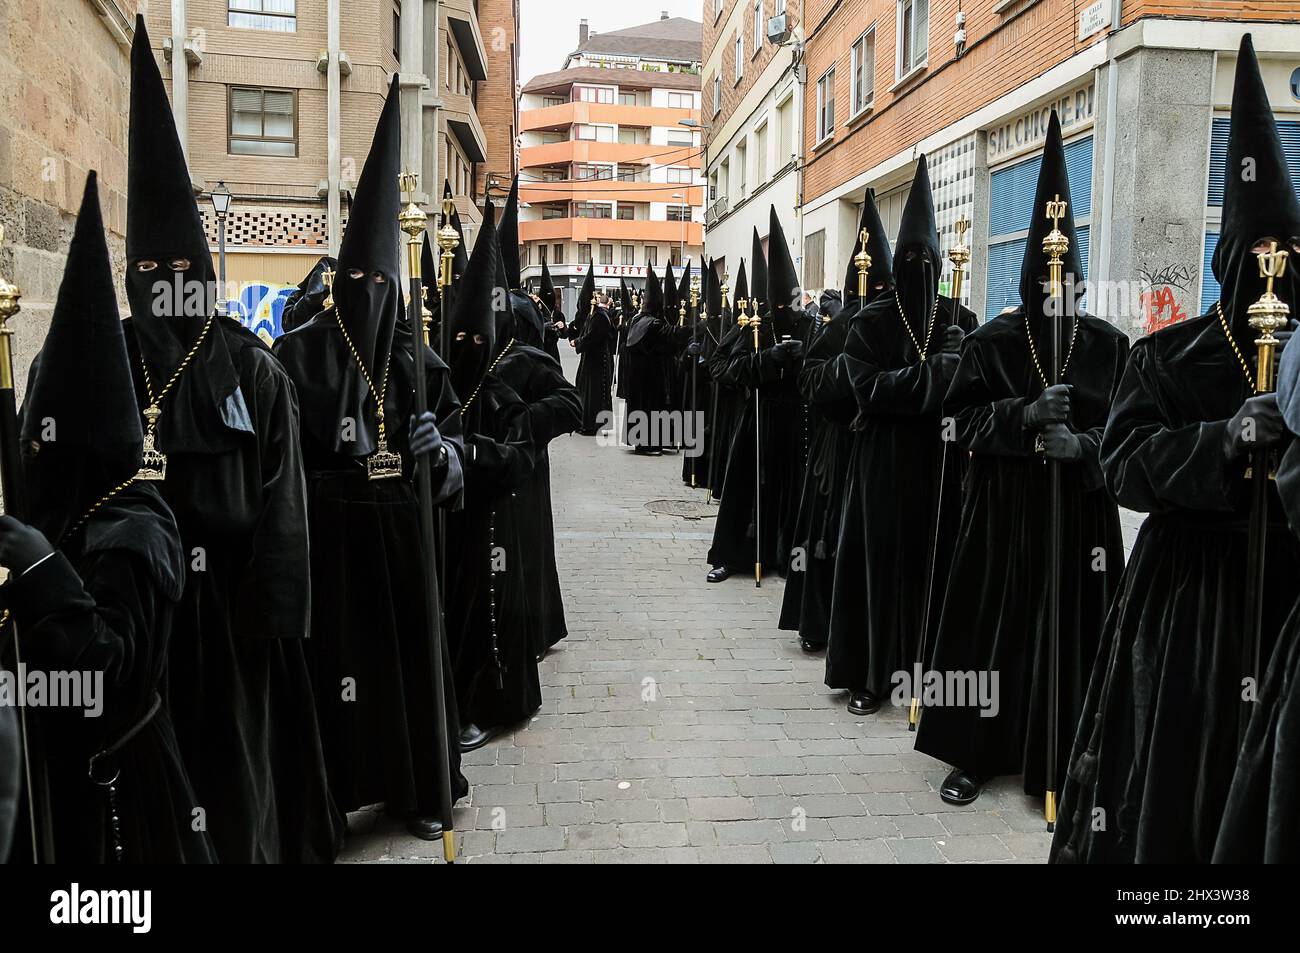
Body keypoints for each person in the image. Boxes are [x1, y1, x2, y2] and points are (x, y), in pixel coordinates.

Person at [1053, 38, 1300, 863]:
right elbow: (1122, 461)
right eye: (1261, 255)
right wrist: (1220, 440)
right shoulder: (1168, 353)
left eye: (1290, 257)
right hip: (1189, 600)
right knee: (1172, 786)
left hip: (1285, 595)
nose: (1276, 274)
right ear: (1229, 256)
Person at [121, 17, 339, 863]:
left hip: (228, 625)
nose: (169, 292)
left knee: (234, 786)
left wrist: (271, 627)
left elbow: (284, 512)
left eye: (185, 277)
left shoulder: (255, 374)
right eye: (152, 278)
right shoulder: (111, 363)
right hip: (140, 626)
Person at [273, 78, 469, 842]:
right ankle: (334, 795)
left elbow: (459, 449)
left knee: (407, 669)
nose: (367, 293)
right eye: (355, 280)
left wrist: (442, 455)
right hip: (333, 544)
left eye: (380, 283)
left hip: (402, 544)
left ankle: (419, 789)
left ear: (396, 283)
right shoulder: (299, 355)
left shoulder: (420, 361)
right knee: (339, 672)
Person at [0, 173, 216, 864]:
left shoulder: (138, 530)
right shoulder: (62, 503)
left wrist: (41, 570)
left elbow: (111, 668)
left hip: (122, 787)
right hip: (48, 768)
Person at [915, 117, 1128, 809]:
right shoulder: (994, 342)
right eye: (1048, 266)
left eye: (1070, 267)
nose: (1058, 278)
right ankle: (976, 752)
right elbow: (958, 420)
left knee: (1072, 635)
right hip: (1002, 514)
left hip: (1081, 520)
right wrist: (1025, 419)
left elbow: (1132, 439)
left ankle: (1067, 758)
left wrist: (1086, 448)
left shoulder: (1110, 346)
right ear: (1032, 268)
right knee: (992, 631)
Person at [825, 159, 977, 716]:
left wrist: (951, 373)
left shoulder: (960, 317)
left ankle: (928, 668)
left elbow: (971, 399)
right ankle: (871, 674)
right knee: (880, 566)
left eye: (926, 260)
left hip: (941, 465)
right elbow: (870, 391)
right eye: (909, 259)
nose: (918, 268)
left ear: (939, 263)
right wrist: (937, 373)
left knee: (932, 567)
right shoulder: (871, 322)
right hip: (884, 465)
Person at [444, 201, 541, 750]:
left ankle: (494, 702)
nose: (469, 350)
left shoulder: (503, 388)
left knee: (489, 620)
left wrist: (472, 453)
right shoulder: (438, 383)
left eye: (478, 341)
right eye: (460, 342)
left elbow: (519, 455)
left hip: (492, 528)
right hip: (449, 526)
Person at [779, 193, 893, 652]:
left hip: (880, 448)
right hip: (836, 448)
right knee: (826, 539)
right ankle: (819, 624)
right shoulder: (836, 327)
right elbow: (811, 380)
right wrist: (850, 367)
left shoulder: (897, 325)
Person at [705, 208, 812, 583]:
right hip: (759, 418)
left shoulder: (812, 326)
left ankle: (787, 556)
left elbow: (830, 368)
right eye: (777, 304)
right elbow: (719, 367)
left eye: (789, 304)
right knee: (747, 490)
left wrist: (805, 357)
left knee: (794, 489)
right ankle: (734, 556)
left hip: (798, 421)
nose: (783, 311)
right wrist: (765, 360)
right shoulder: (755, 324)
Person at [574, 274, 615, 436]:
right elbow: (585, 332)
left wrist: (578, 343)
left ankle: (593, 424)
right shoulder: (592, 315)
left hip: (598, 360)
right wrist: (578, 340)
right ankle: (586, 422)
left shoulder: (600, 316)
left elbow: (593, 336)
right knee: (585, 389)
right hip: (590, 358)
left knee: (594, 392)